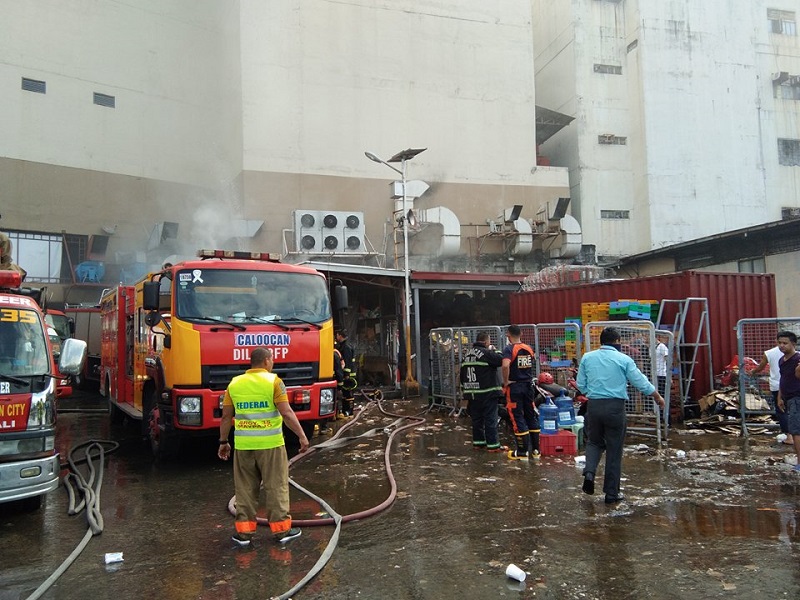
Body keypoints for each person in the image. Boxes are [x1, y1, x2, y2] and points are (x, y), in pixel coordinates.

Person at [218, 347, 309, 546]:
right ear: (266, 361)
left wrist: (223, 442)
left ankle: (244, 535)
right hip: (271, 445)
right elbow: (286, 413)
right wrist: (302, 436)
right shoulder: (274, 382)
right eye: (272, 360)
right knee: (276, 486)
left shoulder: (234, 384)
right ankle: (282, 531)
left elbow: (226, 417)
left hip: (243, 447)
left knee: (244, 490)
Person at [577, 327, 665, 504]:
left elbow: (580, 383)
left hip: (593, 406)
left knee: (594, 442)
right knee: (614, 448)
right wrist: (656, 396)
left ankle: (589, 473)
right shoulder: (624, 359)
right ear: (617, 341)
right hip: (615, 407)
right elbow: (639, 380)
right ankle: (611, 493)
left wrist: (592, 393)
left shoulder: (587, 357)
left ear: (601, 342)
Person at [460, 331, 506, 452]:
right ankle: (493, 446)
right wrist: (494, 350)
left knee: (477, 420)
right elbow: (501, 360)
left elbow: (462, 374)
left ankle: (478, 443)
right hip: (487, 392)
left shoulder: (467, 354)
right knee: (490, 419)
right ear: (486, 342)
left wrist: (465, 390)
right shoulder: (486, 353)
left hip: (472, 393)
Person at [502, 324, 540, 460]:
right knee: (531, 415)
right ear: (521, 334)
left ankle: (522, 452)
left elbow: (505, 365)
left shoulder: (509, 349)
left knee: (517, 416)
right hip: (528, 385)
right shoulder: (528, 348)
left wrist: (506, 381)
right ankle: (536, 450)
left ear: (508, 335)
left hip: (515, 387)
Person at [753, 340, 792, 445]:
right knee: (792, 409)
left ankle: (788, 434)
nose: (782, 345)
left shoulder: (769, 353)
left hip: (776, 385)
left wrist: (753, 372)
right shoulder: (794, 353)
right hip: (790, 386)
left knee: (781, 411)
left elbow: (761, 367)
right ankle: (791, 435)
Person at [776, 331, 800, 471]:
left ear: (793, 344)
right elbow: (783, 379)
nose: (782, 346)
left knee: (797, 432)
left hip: (797, 398)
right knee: (795, 431)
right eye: (779, 343)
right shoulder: (782, 360)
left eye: (785, 343)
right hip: (788, 398)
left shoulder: (798, 360)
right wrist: (780, 397)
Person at [335, 329, 356, 417]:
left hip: (348, 375)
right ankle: (345, 411)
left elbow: (347, 362)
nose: (336, 337)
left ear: (340, 336)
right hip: (347, 374)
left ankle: (349, 411)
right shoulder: (344, 345)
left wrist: (346, 375)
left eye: (337, 335)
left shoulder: (346, 347)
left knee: (348, 394)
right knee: (345, 394)